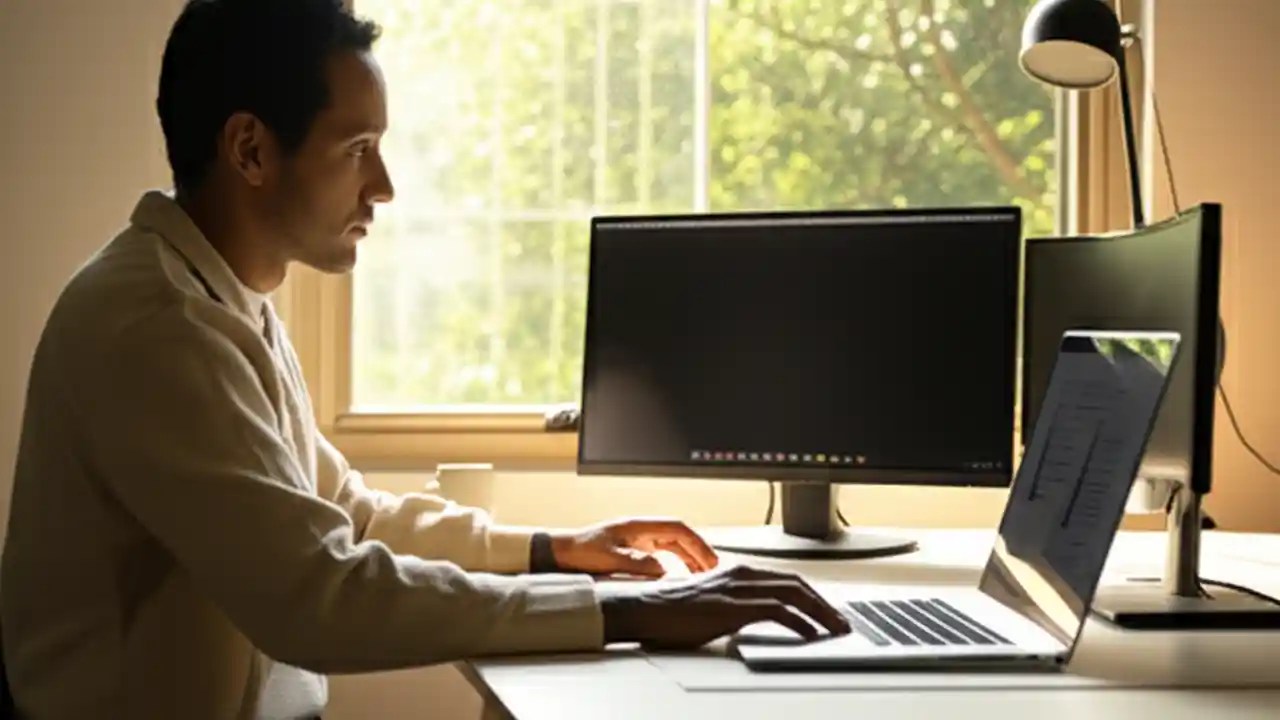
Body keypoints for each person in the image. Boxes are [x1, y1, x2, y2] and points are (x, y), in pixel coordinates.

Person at [0, 1, 850, 718]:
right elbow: (319, 596)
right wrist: (625, 611)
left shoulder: (223, 298)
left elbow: (349, 516)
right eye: (356, 148)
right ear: (251, 150)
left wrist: (556, 549)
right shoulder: (155, 324)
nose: (384, 187)